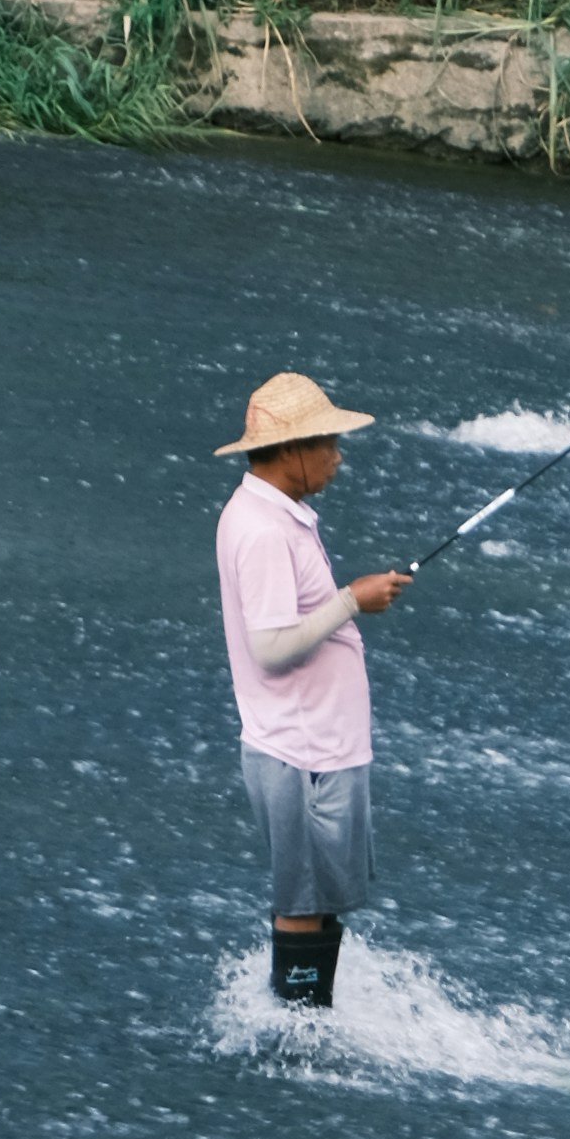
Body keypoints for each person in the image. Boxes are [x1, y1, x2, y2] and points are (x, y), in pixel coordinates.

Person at [214, 368, 409, 1009]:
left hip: (322, 745)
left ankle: (308, 1021)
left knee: (320, 899)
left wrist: (348, 599)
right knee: (302, 902)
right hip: (301, 753)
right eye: (328, 442)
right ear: (294, 451)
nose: (337, 455)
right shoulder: (265, 532)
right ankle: (298, 1034)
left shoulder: (274, 516)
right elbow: (271, 649)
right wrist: (353, 599)